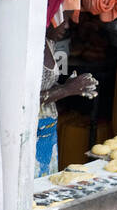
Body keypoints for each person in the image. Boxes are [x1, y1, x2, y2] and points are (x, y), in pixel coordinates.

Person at [36, 23, 97, 177]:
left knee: (45, 182)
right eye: (62, 19)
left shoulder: (49, 43)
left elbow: (45, 85)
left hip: (48, 130)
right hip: (31, 131)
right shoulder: (30, 46)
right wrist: (67, 90)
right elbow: (26, 98)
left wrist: (70, 86)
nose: (67, 26)